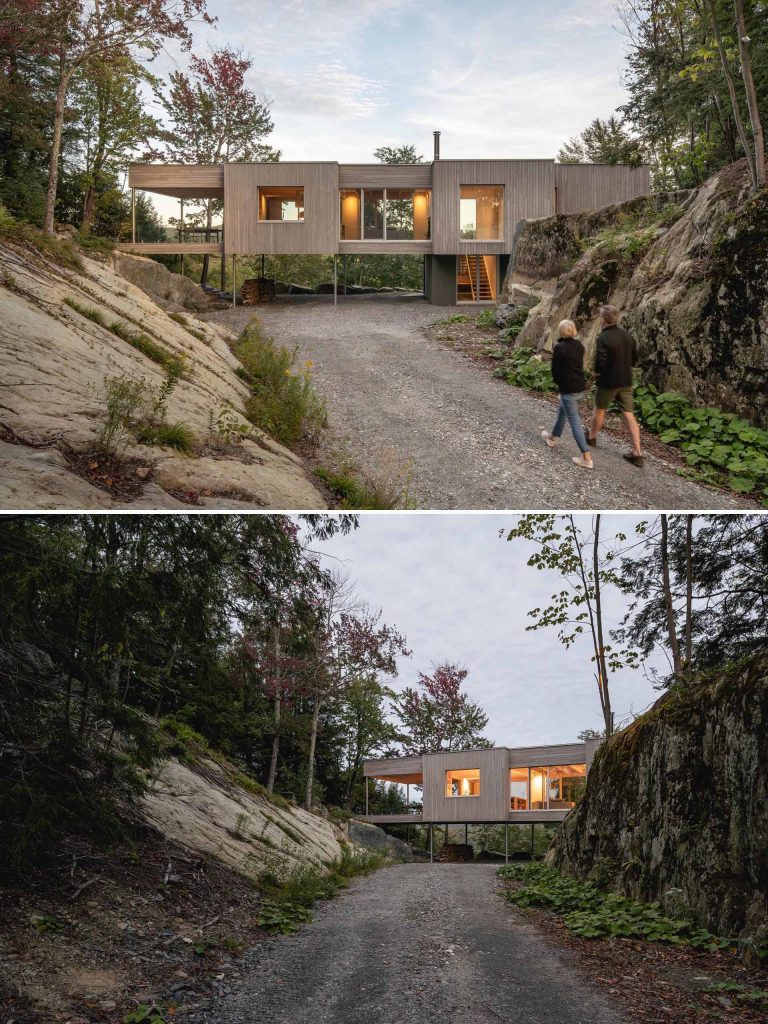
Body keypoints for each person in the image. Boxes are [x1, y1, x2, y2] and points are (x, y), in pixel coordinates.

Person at [588, 305, 644, 466]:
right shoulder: (628, 336)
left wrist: (597, 373)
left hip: (608, 382)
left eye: (600, 316)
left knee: (600, 409)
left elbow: (600, 362)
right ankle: (637, 452)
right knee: (629, 414)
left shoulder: (603, 339)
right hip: (626, 380)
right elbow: (634, 360)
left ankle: (591, 437)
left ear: (603, 320)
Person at [540, 319, 594, 470]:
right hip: (579, 386)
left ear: (561, 331)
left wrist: (558, 383)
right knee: (562, 412)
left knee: (574, 420)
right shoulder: (580, 346)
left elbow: (555, 370)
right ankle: (552, 438)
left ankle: (586, 457)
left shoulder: (559, 347)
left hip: (568, 388)